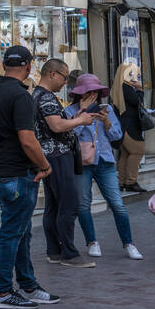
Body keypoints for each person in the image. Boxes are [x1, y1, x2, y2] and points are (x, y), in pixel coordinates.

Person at [0, 45, 56, 309]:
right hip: (17, 173)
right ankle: (2, 291)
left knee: (21, 232)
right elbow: (28, 139)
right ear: (28, 66)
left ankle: (28, 285)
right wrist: (44, 165)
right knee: (12, 233)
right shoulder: (21, 96)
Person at [64, 73, 143, 260]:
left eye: (95, 92)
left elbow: (116, 136)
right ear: (79, 94)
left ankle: (129, 244)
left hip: (105, 162)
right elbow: (69, 137)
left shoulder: (106, 109)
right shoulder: (69, 112)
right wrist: (81, 115)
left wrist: (106, 122)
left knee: (117, 204)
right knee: (83, 205)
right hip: (82, 163)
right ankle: (92, 242)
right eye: (87, 92)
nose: (92, 96)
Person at [32, 60, 96, 267]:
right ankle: (69, 253)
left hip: (50, 156)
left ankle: (55, 251)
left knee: (54, 206)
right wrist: (81, 121)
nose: (65, 82)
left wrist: (77, 116)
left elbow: (54, 126)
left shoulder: (37, 95)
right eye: (64, 76)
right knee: (68, 204)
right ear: (52, 74)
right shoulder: (47, 97)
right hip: (57, 156)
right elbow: (57, 125)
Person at [111, 63, 147, 192]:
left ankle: (121, 182)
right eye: (131, 73)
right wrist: (140, 90)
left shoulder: (118, 87)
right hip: (129, 126)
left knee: (125, 154)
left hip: (122, 125)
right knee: (138, 150)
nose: (135, 77)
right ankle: (131, 181)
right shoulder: (126, 87)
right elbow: (137, 102)